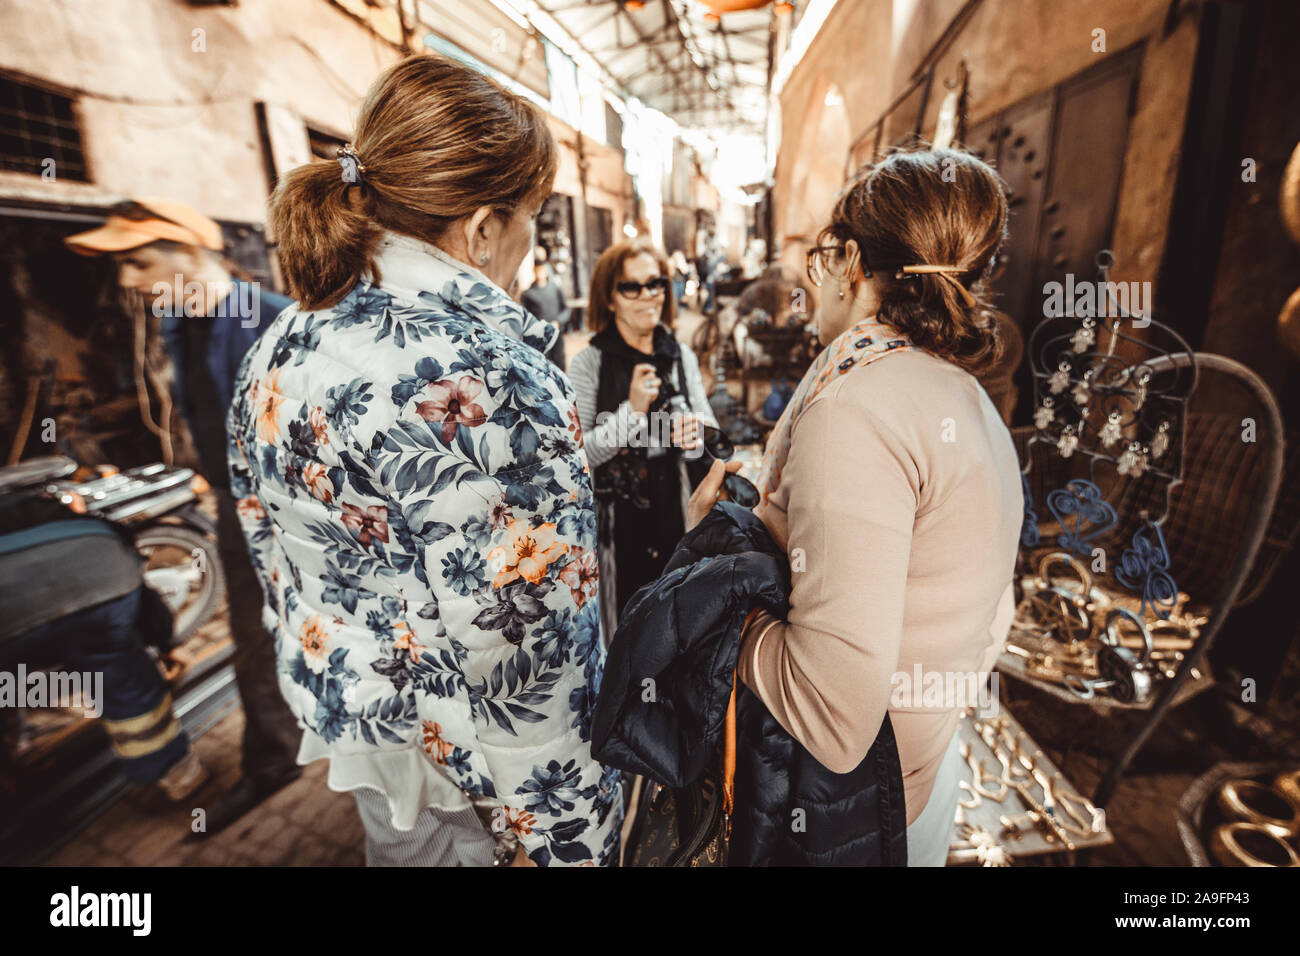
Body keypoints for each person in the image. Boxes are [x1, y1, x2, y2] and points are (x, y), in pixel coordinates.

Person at [228, 54, 620, 867]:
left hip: (368, 740)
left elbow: (268, 546)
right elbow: (526, 653)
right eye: (534, 219)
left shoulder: (277, 344)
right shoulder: (488, 381)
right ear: (482, 228)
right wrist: (572, 841)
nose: (531, 245)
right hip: (480, 789)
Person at [686, 148, 1022, 866]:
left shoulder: (854, 409)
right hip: (919, 783)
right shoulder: (965, 396)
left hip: (847, 818)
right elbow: (993, 617)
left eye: (821, 255)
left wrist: (713, 583)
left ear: (852, 262)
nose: (812, 282)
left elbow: (832, 715)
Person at [65, 199, 302, 835]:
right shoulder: (180, 325)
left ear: (193, 254)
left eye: (140, 261)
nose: (127, 279)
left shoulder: (274, 321)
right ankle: (277, 757)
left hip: (293, 511)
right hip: (234, 504)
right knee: (254, 634)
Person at [0, 494, 207, 801]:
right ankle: (175, 776)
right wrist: (165, 645)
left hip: (19, 610)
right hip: (98, 577)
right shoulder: (74, 520)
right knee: (123, 677)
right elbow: (150, 611)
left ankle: (12, 771)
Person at [569, 240, 718, 644]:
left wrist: (698, 430)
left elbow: (709, 425)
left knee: (677, 636)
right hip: (617, 535)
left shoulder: (679, 355)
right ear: (610, 297)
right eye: (630, 287)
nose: (646, 295)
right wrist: (633, 413)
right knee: (626, 640)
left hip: (678, 523)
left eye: (654, 283)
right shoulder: (590, 364)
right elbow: (578, 457)